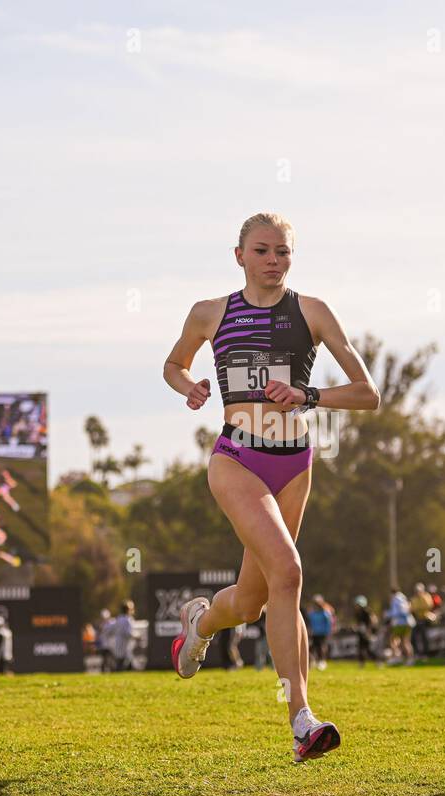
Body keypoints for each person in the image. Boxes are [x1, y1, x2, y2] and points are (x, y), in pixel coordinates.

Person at [162, 212, 380, 762]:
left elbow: (367, 393)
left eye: (282, 252)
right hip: (236, 458)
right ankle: (302, 721)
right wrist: (189, 386)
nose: (273, 260)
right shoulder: (211, 313)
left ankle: (201, 621)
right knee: (290, 571)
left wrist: (308, 396)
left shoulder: (314, 312)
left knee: (255, 600)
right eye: (262, 251)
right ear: (240, 256)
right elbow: (172, 363)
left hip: (295, 462)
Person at [304, 595, 334, 671]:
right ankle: (313, 661)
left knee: (321, 647)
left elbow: (329, 623)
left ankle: (322, 662)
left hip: (323, 633)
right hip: (314, 633)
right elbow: (308, 622)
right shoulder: (312, 613)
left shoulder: (325, 613)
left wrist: (328, 632)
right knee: (312, 648)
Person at [385, 589, 414, 664]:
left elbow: (398, 612)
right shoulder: (403, 598)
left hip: (401, 623)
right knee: (405, 642)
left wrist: (387, 614)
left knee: (392, 640)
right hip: (409, 622)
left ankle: (397, 657)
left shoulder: (396, 600)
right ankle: (410, 659)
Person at [352, 596, 380, 666]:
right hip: (361, 633)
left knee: (368, 649)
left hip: (367, 633)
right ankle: (361, 663)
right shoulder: (357, 613)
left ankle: (377, 661)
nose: (356, 606)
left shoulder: (367, 612)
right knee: (360, 648)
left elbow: (372, 622)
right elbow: (358, 623)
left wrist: (369, 632)